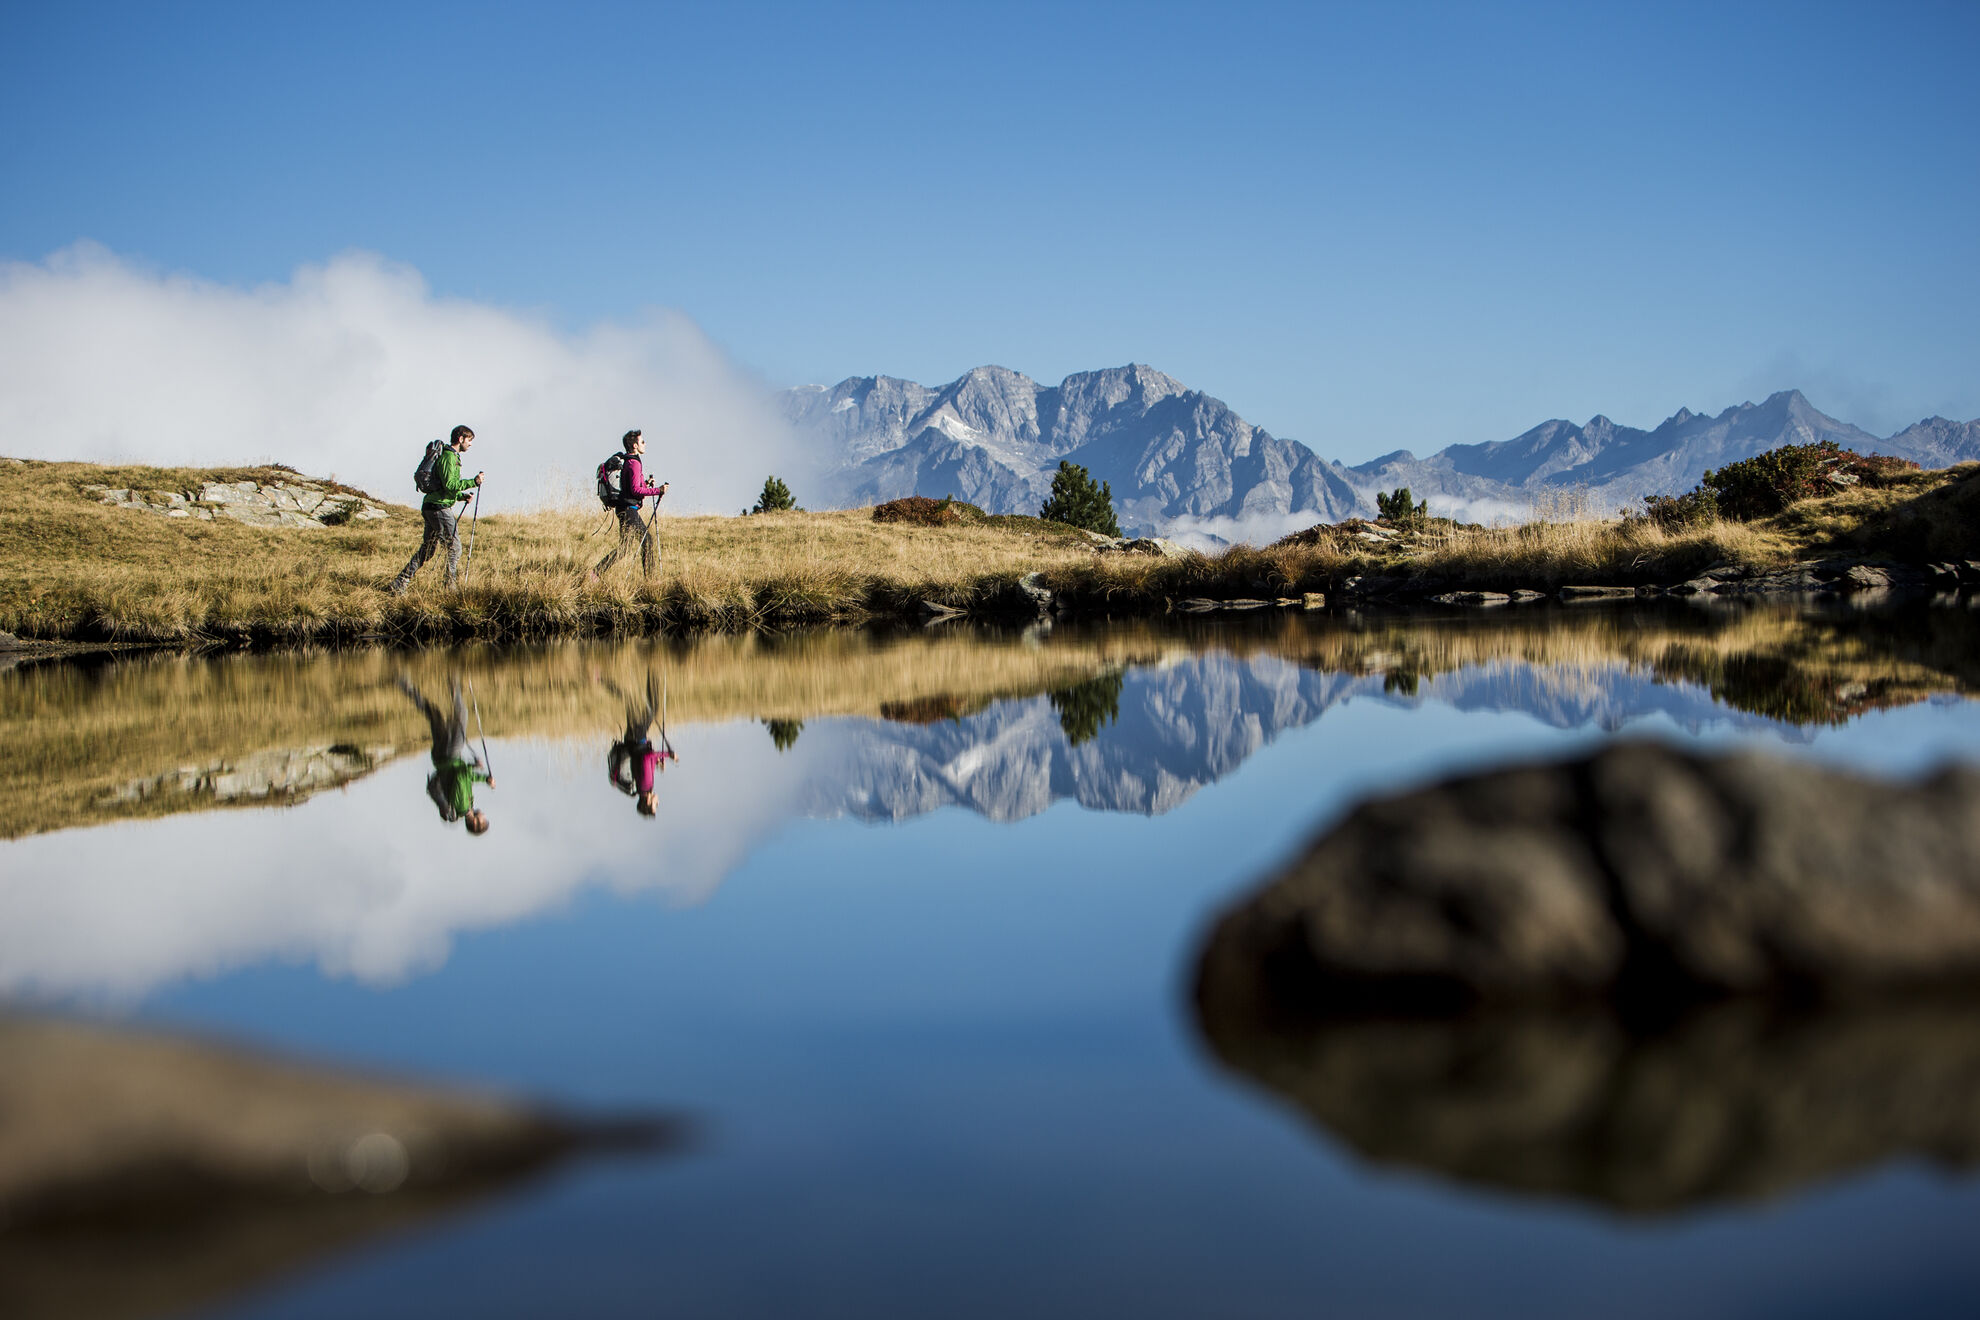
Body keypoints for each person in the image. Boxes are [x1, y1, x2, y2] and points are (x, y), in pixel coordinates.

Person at [389, 425, 482, 594]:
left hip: (431, 506)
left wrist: (461, 496)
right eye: (469, 440)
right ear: (460, 439)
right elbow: (450, 485)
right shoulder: (449, 457)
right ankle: (449, 588)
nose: (470, 444)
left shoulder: (449, 456)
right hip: (439, 509)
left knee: (429, 549)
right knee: (454, 547)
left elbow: (445, 487)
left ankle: (400, 582)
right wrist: (473, 482)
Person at [398, 674, 495, 833]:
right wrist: (483, 778)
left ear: (476, 823)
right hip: (440, 758)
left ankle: (452, 678)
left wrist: (476, 768)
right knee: (434, 714)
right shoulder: (465, 804)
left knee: (461, 714)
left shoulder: (463, 805)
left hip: (450, 756)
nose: (484, 814)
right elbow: (465, 778)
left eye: (483, 819)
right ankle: (404, 685)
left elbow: (460, 776)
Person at [590, 429, 668, 581]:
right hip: (629, 510)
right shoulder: (634, 463)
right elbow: (635, 490)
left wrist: (646, 484)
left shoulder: (629, 461)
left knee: (625, 548)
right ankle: (650, 581)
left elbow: (631, 488)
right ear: (634, 445)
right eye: (642, 442)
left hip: (624, 509)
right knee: (648, 541)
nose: (645, 444)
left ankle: (596, 573)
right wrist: (657, 490)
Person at [602, 671, 676, 817]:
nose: (658, 802)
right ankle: (602, 679)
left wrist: (668, 755)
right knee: (631, 702)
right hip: (632, 739)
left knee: (650, 706)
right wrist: (657, 762)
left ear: (648, 802)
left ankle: (651, 667)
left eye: (655, 805)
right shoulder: (642, 787)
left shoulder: (646, 785)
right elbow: (645, 762)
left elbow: (646, 757)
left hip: (637, 737)